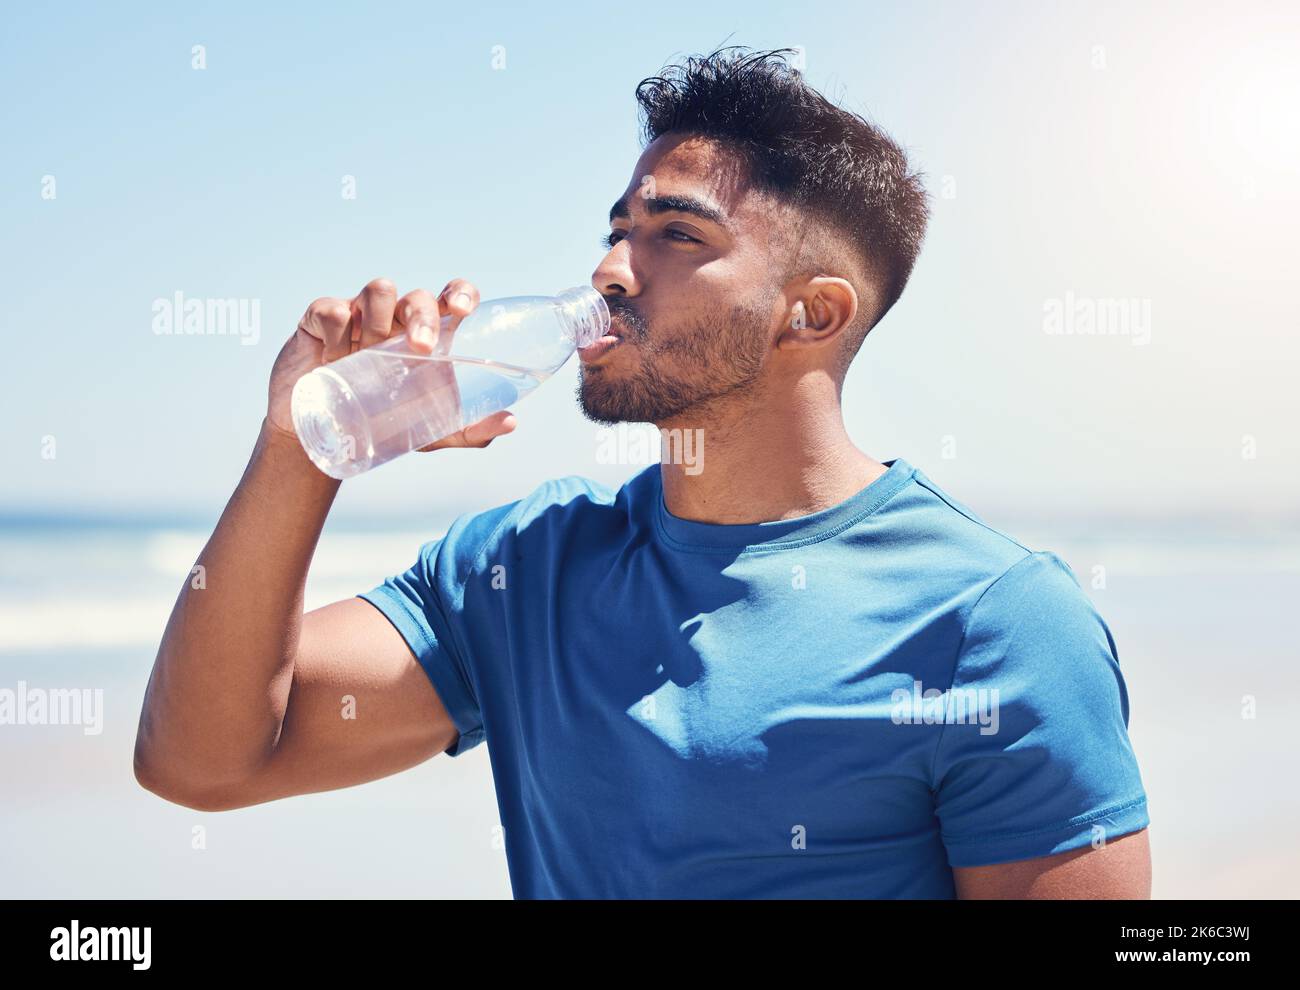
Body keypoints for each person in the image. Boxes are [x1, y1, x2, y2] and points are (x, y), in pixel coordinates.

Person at [134, 46, 1151, 899]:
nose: (612, 271)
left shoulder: (994, 620)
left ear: (815, 312)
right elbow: (205, 761)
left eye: (675, 234)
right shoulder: (526, 567)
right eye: (618, 231)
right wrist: (298, 449)